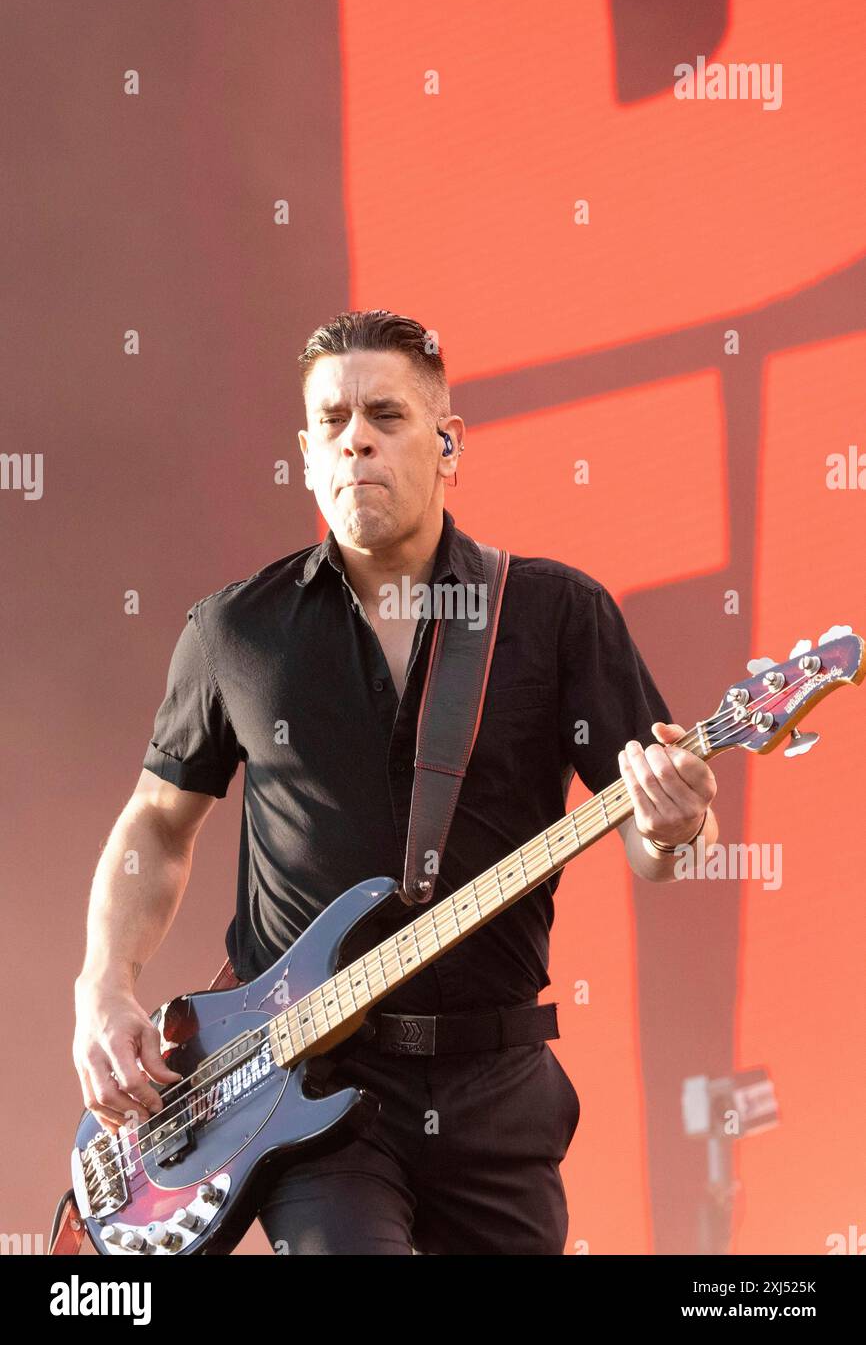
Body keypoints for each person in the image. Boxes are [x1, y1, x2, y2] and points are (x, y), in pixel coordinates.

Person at [73, 309, 719, 1255]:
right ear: (304, 454)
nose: (356, 439)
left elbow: (664, 843)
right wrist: (103, 986)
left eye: (385, 414)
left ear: (450, 444)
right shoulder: (235, 633)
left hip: (496, 1087)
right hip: (312, 1084)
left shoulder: (555, 614)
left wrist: (676, 824)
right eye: (332, 422)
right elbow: (158, 827)